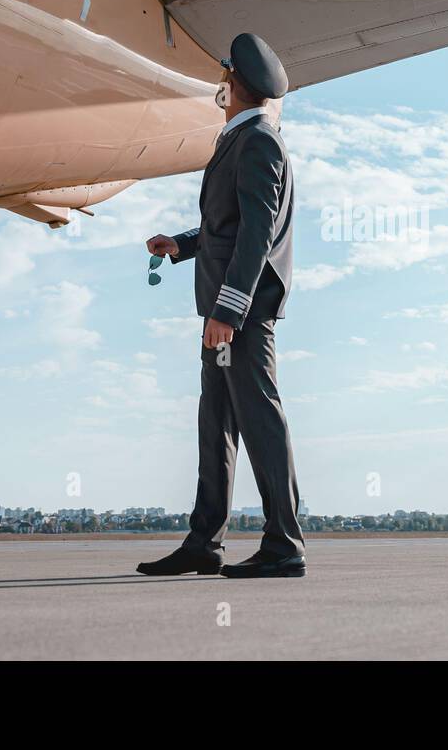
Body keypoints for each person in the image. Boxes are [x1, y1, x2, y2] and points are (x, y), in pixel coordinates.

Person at [137, 33, 305, 579]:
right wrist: (182, 246)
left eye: (223, 78)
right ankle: (204, 542)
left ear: (232, 86)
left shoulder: (258, 141)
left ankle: (284, 545)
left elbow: (258, 233)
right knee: (217, 423)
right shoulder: (244, 138)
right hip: (224, 310)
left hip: (242, 314)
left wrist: (228, 314)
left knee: (259, 418)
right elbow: (228, 226)